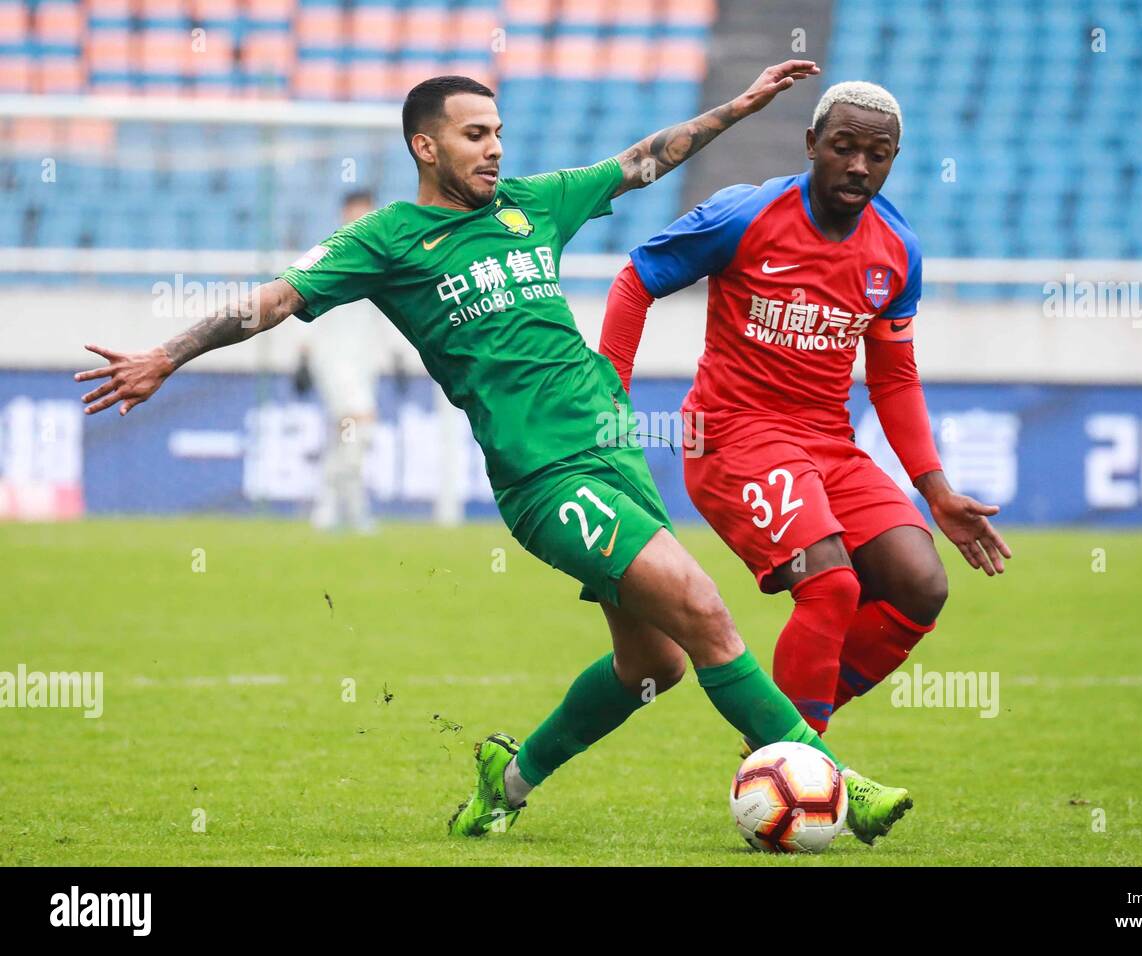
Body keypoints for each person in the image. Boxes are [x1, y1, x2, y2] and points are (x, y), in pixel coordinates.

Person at [73, 66, 913, 845]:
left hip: (614, 456)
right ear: (425, 146)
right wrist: (165, 355)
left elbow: (639, 162)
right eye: (476, 134)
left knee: (650, 665)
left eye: (500, 132)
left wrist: (742, 108)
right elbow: (278, 298)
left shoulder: (532, 203)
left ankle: (504, 784)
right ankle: (836, 780)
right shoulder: (390, 240)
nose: (496, 147)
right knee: (701, 609)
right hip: (543, 479)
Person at [600, 81, 1011, 744]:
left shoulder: (896, 250)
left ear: (893, 159)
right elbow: (636, 280)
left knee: (919, 582)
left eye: (877, 154)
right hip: (732, 437)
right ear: (812, 144)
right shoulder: (745, 215)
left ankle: (782, 744)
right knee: (831, 585)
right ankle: (794, 763)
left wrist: (935, 490)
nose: (858, 166)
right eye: (843, 147)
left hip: (828, 445)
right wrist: (611, 402)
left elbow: (895, 377)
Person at [298, 189, 385, 534]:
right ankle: (345, 509)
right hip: (333, 362)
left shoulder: (381, 257)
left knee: (345, 437)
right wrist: (302, 356)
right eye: (356, 213)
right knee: (359, 426)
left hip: (364, 364)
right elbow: (301, 300)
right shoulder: (327, 254)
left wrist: (393, 357)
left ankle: (332, 509)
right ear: (344, 215)